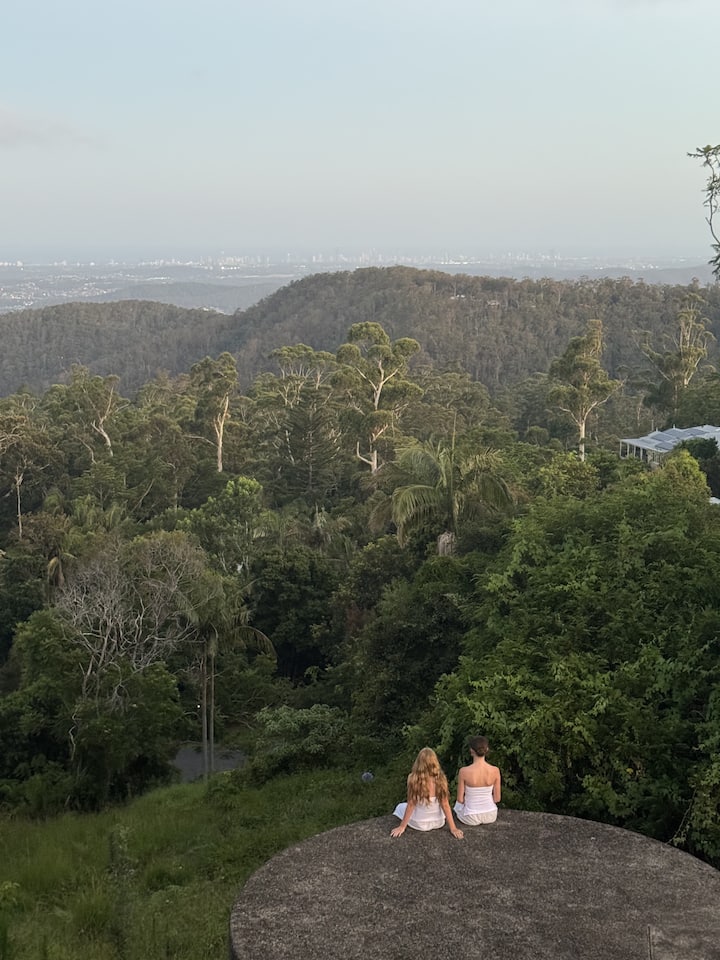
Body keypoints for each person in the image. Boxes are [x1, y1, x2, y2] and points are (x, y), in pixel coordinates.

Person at [390, 747, 464, 839]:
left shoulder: (413, 779)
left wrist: (402, 826)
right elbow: (445, 804)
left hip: (419, 823)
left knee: (400, 807)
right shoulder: (441, 779)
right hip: (438, 822)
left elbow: (411, 805)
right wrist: (453, 828)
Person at [453, 735, 501, 825]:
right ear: (486, 750)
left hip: (471, 816)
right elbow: (497, 798)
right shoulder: (495, 770)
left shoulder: (464, 771)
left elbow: (460, 799)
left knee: (457, 808)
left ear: (471, 750)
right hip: (491, 814)